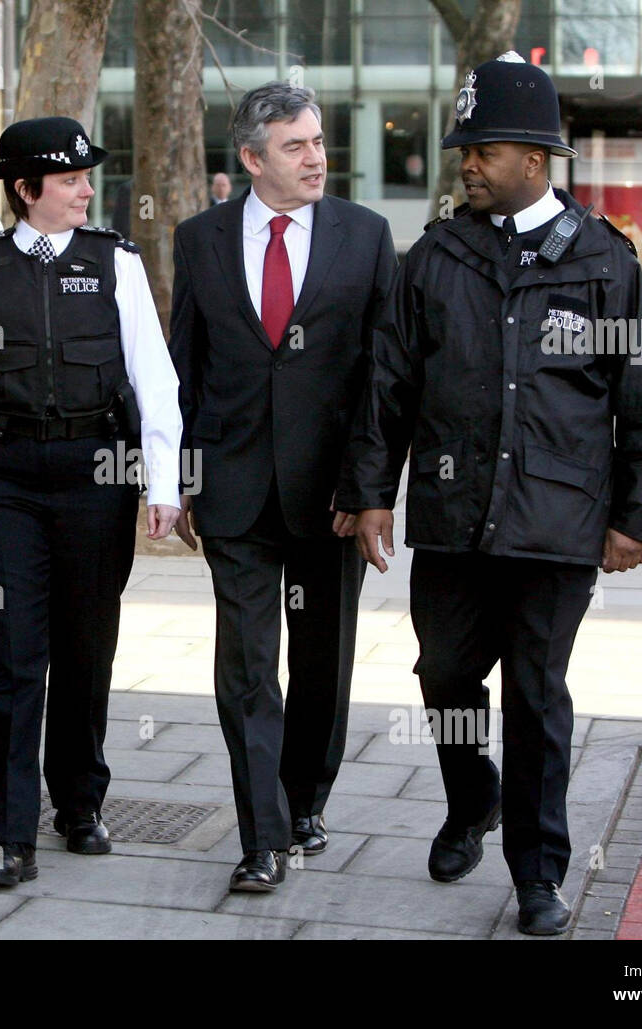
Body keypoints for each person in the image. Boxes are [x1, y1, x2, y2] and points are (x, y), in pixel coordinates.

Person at [349, 52, 642, 935]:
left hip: (558, 520)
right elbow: (390, 385)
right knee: (446, 674)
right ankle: (470, 801)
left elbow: (641, 397)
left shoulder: (606, 262)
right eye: (464, 148)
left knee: (537, 694)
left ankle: (539, 870)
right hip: (453, 518)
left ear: (533, 159)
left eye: (481, 149)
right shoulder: (436, 258)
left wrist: (637, 517)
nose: (465, 162)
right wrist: (373, 492)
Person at [0, 117, 183, 886]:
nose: (87, 190)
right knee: (9, 652)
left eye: (88, 177)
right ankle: (12, 831)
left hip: (95, 475)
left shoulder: (114, 262)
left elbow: (153, 377)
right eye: (70, 180)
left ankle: (80, 803)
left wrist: (163, 482)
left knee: (86, 647)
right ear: (26, 190)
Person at [168, 82, 396, 892]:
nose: (317, 159)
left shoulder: (366, 239)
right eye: (297, 146)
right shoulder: (198, 240)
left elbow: (383, 377)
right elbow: (183, 368)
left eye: (321, 142)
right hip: (233, 490)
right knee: (248, 666)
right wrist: (182, 479)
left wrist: (371, 487)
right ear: (253, 156)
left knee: (322, 664)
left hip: (330, 494)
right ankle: (261, 835)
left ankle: (306, 798)